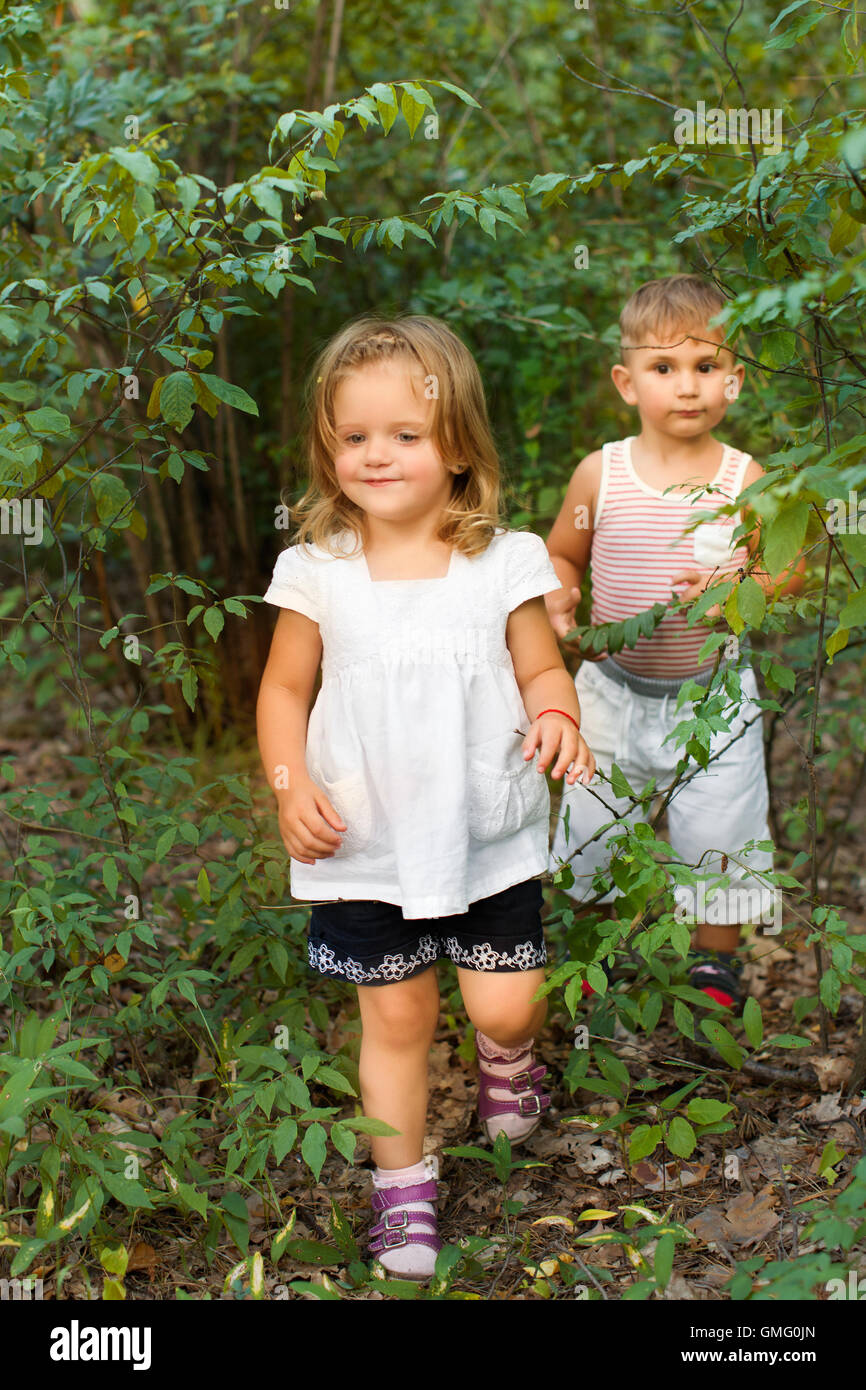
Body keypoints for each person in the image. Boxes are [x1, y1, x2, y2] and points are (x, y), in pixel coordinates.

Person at [256, 315, 596, 1279]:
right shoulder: (316, 568)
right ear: (328, 446)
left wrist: (560, 715)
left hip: (484, 830)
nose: (378, 454)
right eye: (354, 435)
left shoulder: (506, 559)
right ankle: (402, 1198)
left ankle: (507, 1058)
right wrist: (291, 786)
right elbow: (283, 690)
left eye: (406, 434)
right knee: (395, 1022)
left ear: (457, 446)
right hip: (366, 838)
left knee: (502, 1005)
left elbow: (541, 669)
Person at [545, 275, 805, 1011]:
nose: (686, 387)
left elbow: (784, 568)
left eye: (705, 367)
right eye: (664, 368)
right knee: (593, 832)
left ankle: (713, 974)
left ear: (735, 381)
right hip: (612, 693)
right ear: (627, 382)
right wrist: (559, 596)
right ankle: (591, 963)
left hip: (713, 694)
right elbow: (563, 553)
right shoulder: (603, 473)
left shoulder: (745, 478)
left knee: (720, 831)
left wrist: (737, 585)